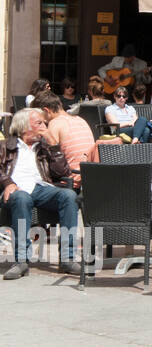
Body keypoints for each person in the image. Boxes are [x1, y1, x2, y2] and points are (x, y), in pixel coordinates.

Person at [0, 108, 78, 279]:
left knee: (69, 196)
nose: (45, 126)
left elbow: (61, 172)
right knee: (22, 198)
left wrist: (54, 147)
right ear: (23, 127)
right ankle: (21, 261)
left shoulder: (44, 147)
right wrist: (8, 183)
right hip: (16, 190)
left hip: (41, 189)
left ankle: (68, 258)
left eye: (44, 122)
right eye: (39, 123)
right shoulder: (5, 146)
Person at [34, 92, 95, 189]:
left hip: (69, 182)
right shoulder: (81, 120)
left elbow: (49, 158)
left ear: (46, 111)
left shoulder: (55, 123)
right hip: (88, 178)